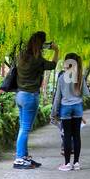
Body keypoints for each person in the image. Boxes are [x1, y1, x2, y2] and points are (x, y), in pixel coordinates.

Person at [13, 31, 58, 169]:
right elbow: (53, 65)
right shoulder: (37, 60)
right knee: (25, 129)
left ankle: (24, 157)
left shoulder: (21, 56)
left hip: (20, 95)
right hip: (30, 96)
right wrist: (56, 50)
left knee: (23, 127)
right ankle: (20, 159)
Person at [51, 53, 85, 171]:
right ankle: (76, 163)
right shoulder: (80, 76)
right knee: (76, 135)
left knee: (67, 136)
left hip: (65, 108)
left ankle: (66, 164)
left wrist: (54, 112)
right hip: (78, 107)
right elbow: (86, 94)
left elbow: (57, 97)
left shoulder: (62, 78)